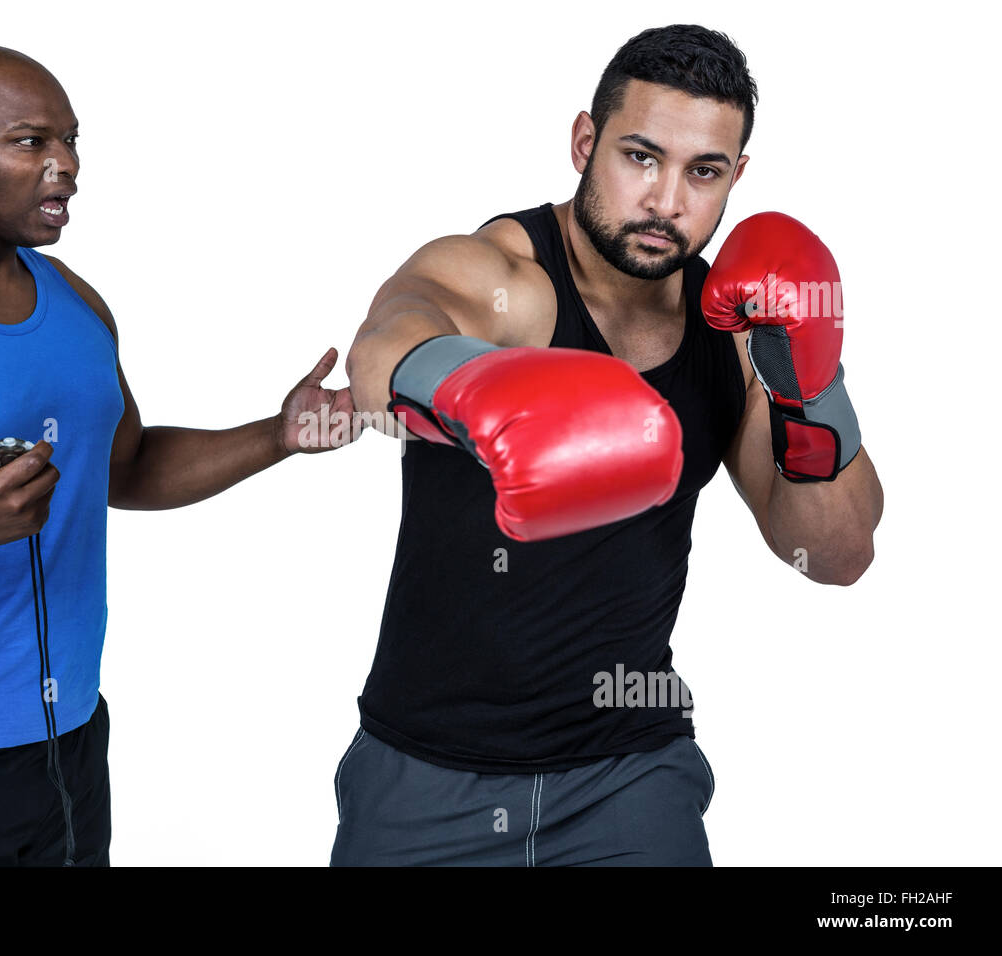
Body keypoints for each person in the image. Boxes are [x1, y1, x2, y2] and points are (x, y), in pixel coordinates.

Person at [0, 44, 353, 866]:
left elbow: (128, 467)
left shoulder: (75, 300)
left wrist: (276, 436)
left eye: (72, 141)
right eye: (30, 142)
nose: (67, 166)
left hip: (70, 740)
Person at [332, 23, 883, 866]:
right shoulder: (503, 277)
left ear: (736, 178)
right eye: (640, 156)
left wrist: (813, 390)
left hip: (633, 776)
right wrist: (477, 387)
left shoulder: (730, 330)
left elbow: (836, 553)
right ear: (585, 141)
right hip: (424, 774)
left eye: (703, 172)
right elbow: (379, 356)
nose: (667, 201)